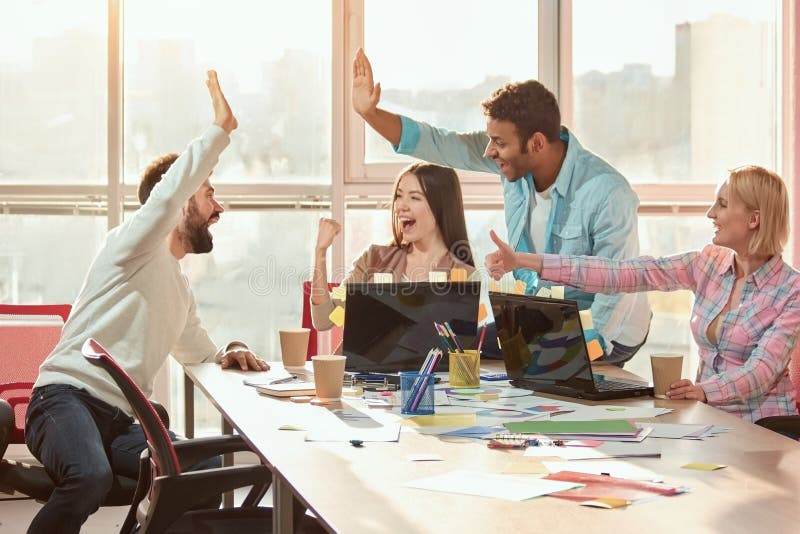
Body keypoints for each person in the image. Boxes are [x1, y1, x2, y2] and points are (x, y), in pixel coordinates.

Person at [24, 71, 270, 534]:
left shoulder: (178, 288)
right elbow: (171, 191)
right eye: (209, 193)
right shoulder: (132, 245)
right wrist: (220, 130)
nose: (219, 208)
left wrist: (229, 349)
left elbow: (200, 351)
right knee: (90, 476)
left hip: (121, 422)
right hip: (63, 398)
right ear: (178, 203)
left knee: (204, 474)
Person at [350, 48, 651, 367]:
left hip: (607, 330)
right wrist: (370, 114)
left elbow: (617, 288)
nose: (489, 151)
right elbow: (441, 143)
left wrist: (577, 356)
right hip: (546, 318)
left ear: (536, 144)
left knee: (546, 381)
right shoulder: (514, 164)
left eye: (499, 143)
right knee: (458, 351)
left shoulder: (607, 192)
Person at [485, 165, 800, 422]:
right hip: (711, 420)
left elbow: (762, 370)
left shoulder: (791, 291)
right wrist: (524, 261)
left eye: (722, 204)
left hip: (762, 427)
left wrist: (704, 391)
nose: (710, 213)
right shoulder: (707, 265)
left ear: (754, 219)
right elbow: (622, 273)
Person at [311, 162, 475, 331]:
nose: (400, 206)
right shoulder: (373, 260)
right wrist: (320, 253)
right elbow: (325, 320)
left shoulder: (464, 276)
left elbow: (463, 348)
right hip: (366, 358)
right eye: (399, 196)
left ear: (441, 207)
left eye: (414, 197)